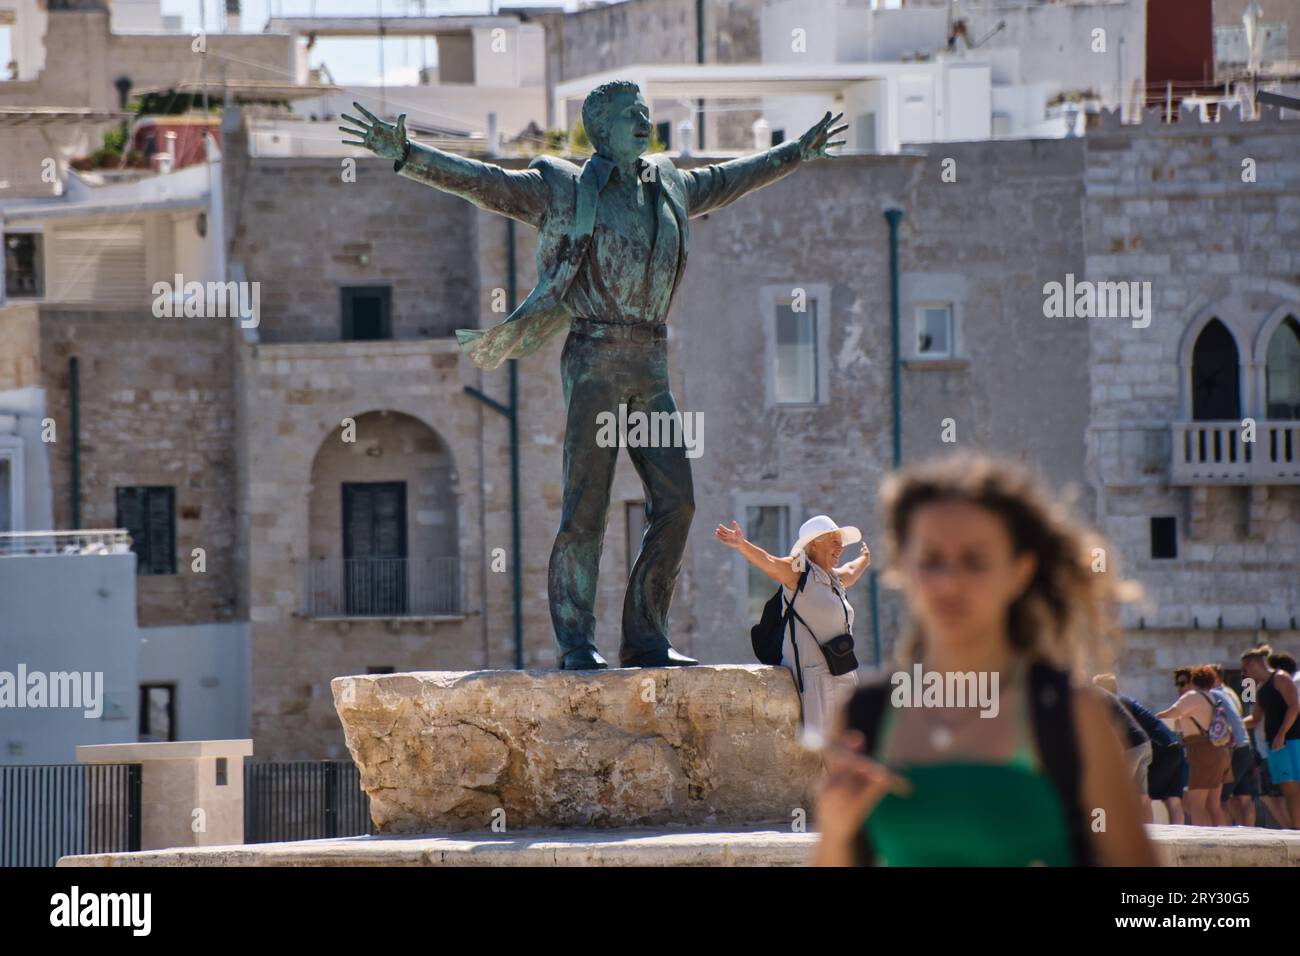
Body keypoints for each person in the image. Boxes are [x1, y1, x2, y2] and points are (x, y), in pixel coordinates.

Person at [339, 88, 846, 670]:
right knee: (588, 507)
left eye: (644, 112)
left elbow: (728, 178)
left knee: (677, 503)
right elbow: (487, 183)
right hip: (594, 358)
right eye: (630, 116)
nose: (643, 121)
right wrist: (409, 154)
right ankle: (576, 642)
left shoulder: (669, 184)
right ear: (600, 130)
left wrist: (795, 153)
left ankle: (646, 637)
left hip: (650, 361)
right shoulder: (564, 188)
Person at [811, 454, 1156, 866]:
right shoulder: (863, 716)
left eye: (975, 562)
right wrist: (834, 828)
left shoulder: (1072, 716)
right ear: (902, 566)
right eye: (931, 560)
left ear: (1020, 571)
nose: (949, 582)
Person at [716, 515, 870, 738]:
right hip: (817, 680)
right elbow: (770, 562)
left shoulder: (834, 580)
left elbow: (851, 572)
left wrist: (865, 558)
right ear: (815, 542)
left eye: (841, 543)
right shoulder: (799, 573)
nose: (841, 548)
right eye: (834, 541)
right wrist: (742, 544)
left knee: (854, 748)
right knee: (832, 754)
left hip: (845, 674)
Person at [1157, 665, 1233, 826]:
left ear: (1192, 681)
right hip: (1219, 750)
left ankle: (1202, 845)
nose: (1180, 687)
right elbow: (1181, 724)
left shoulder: (1192, 696)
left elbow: (1170, 714)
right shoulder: (1211, 697)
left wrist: (1147, 718)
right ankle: (1224, 839)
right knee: (1213, 805)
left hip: (1202, 751)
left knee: (1196, 805)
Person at [1241, 645, 1300, 829]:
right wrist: (1232, 725)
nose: (1244, 674)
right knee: (1284, 790)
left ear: (1254, 664)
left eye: (1245, 669)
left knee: (1292, 791)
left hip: (1290, 740)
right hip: (1272, 744)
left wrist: (1281, 734)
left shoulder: (1281, 677)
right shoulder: (1258, 688)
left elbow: (1294, 707)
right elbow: (1255, 717)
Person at [1092, 674, 1160, 823]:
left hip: (1130, 748)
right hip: (1143, 742)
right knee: (1141, 794)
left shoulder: (1092, 697)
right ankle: (1149, 829)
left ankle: (1102, 827)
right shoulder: (1107, 696)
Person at [1210, 666, 1256, 826]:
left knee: (1221, 797)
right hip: (1245, 745)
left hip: (1233, 749)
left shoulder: (1216, 694)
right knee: (1243, 797)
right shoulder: (1230, 692)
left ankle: (1228, 835)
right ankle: (1248, 833)